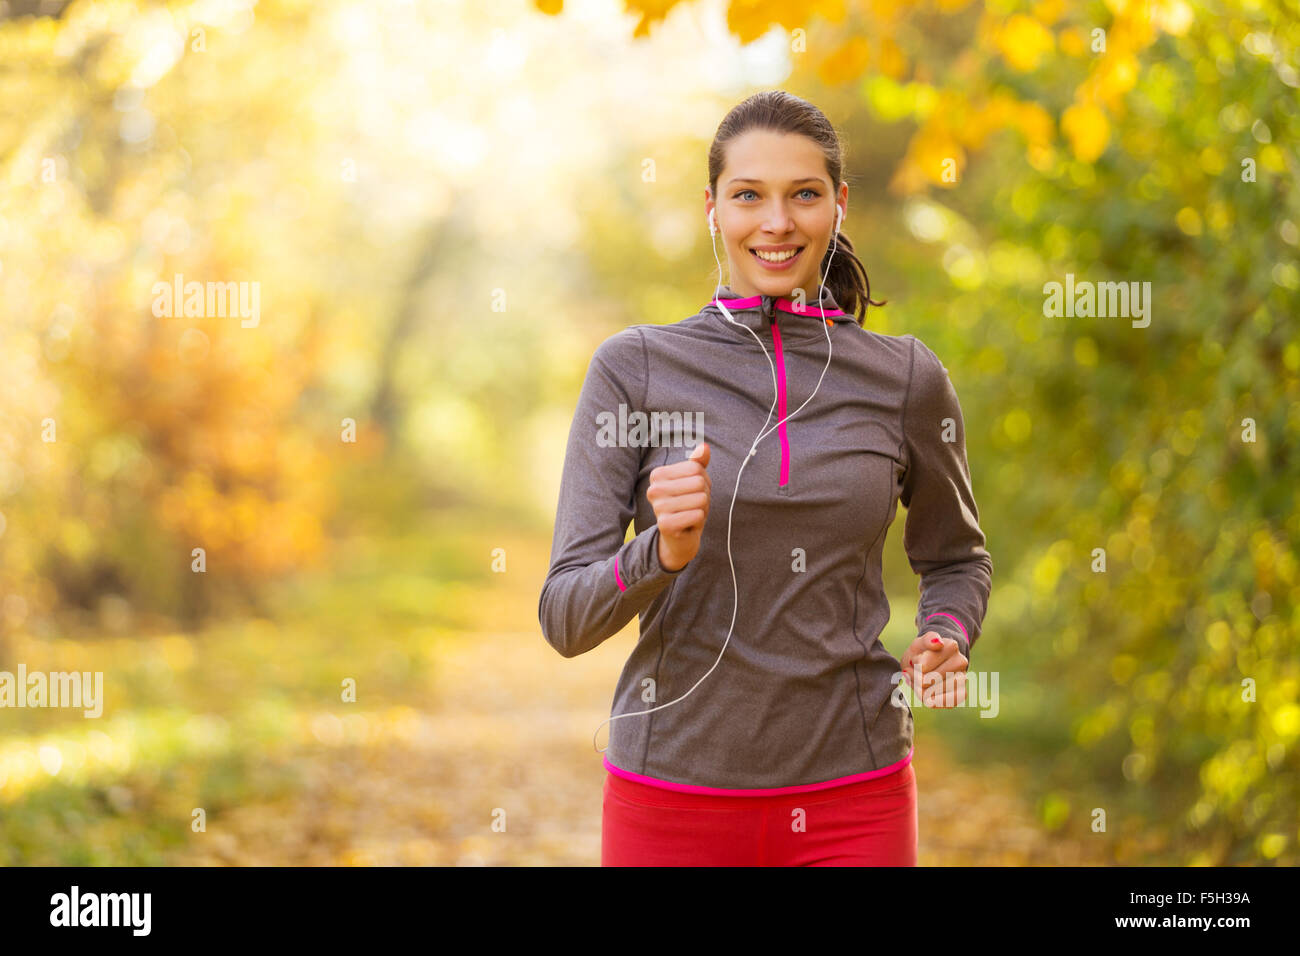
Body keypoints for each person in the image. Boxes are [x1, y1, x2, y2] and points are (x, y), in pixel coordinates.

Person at [538, 90, 992, 866]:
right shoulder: (635, 369)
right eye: (748, 195)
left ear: (839, 206)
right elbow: (565, 617)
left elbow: (955, 558)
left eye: (804, 195)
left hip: (857, 793)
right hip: (673, 795)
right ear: (713, 208)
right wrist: (661, 553)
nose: (776, 223)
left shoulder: (905, 377)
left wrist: (947, 632)